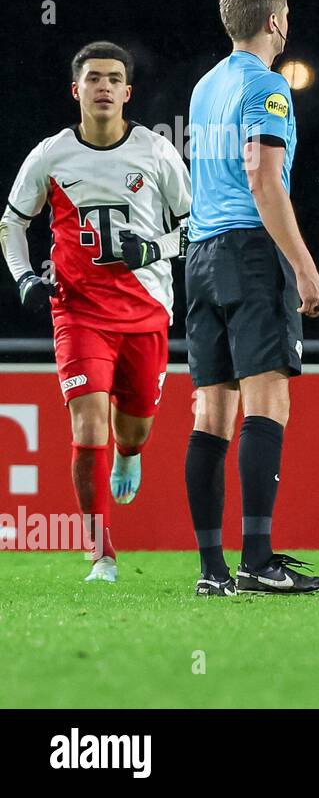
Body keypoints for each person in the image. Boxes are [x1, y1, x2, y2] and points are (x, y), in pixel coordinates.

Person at [1, 41, 190, 582]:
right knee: (86, 424)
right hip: (79, 313)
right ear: (76, 90)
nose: (103, 87)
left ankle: (130, 453)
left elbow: (194, 226)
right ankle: (100, 554)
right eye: (93, 79)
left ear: (128, 92)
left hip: (146, 313)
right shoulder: (51, 154)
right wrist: (24, 279)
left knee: (133, 429)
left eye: (113, 79)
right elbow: (12, 223)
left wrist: (151, 251)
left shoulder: (155, 152)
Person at [184, 0, 319, 596]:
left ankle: (213, 569)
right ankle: (259, 560)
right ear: (275, 21)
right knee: (266, 402)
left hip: (200, 255)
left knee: (211, 410)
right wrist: (304, 268)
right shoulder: (267, 87)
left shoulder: (204, 86)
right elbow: (263, 181)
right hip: (250, 252)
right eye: (287, 12)